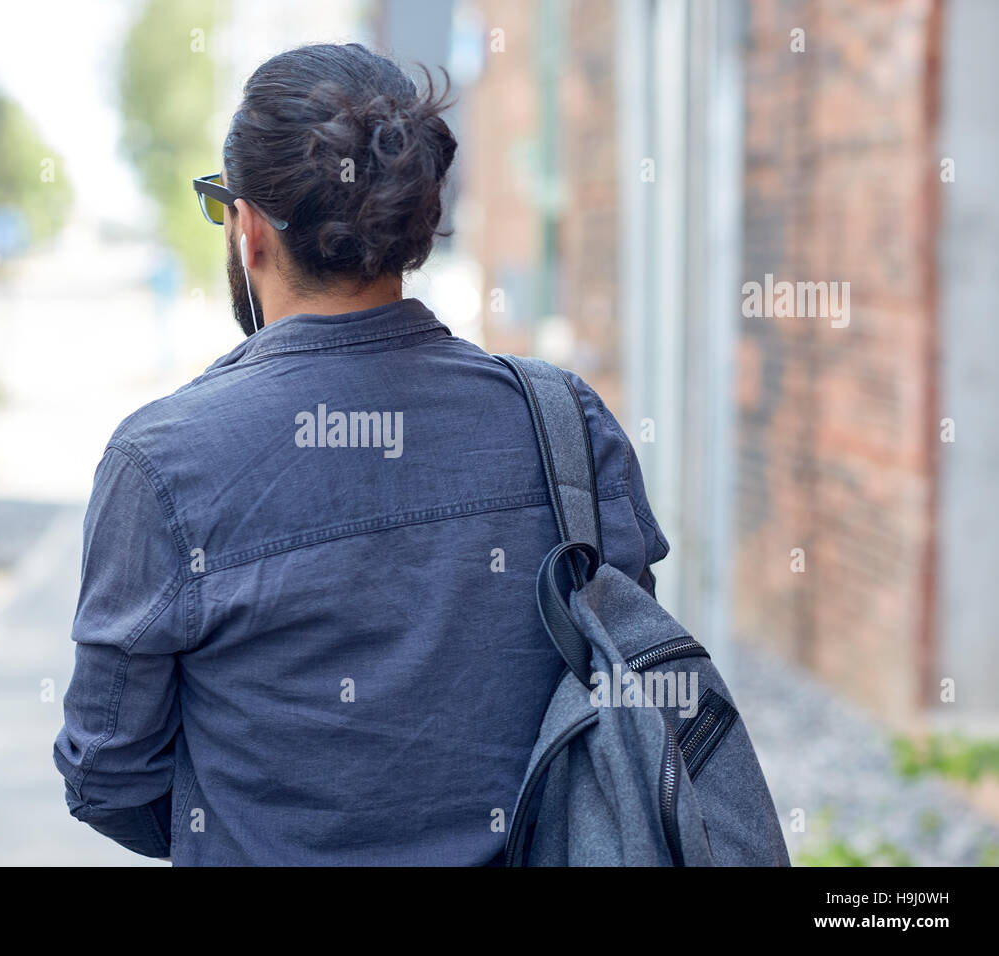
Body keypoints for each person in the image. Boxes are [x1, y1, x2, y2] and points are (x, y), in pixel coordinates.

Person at [53, 42, 667, 866]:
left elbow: (108, 775)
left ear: (251, 228)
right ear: (413, 222)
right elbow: (633, 679)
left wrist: (239, 824)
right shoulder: (561, 417)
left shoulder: (164, 463)